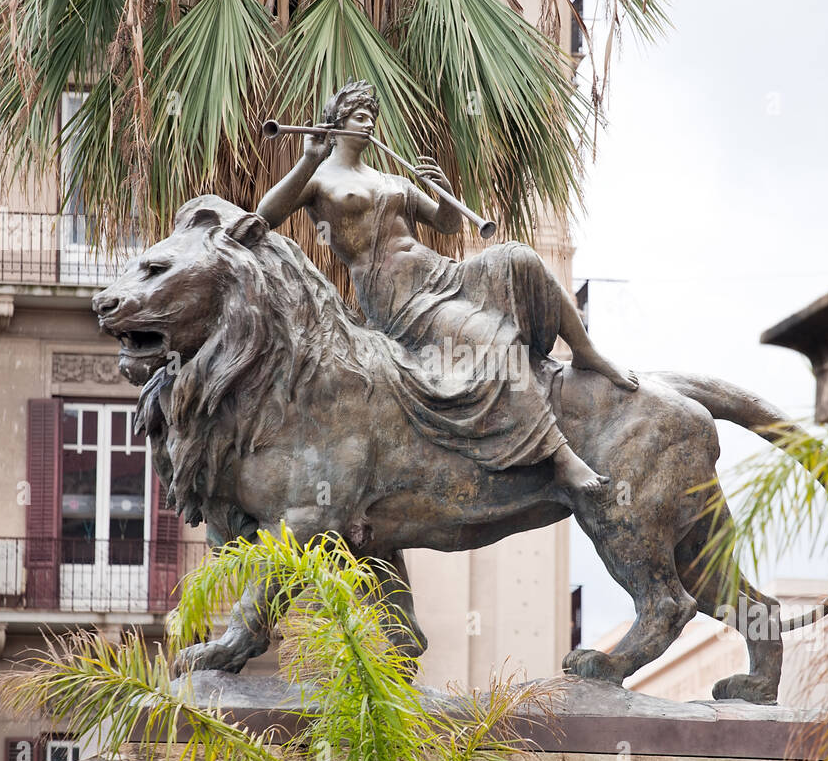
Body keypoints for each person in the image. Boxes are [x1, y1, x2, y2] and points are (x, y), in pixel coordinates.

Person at [255, 79, 637, 497]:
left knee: (520, 257)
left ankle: (586, 352)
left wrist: (448, 195)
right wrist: (307, 161)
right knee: (492, 342)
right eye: (358, 117)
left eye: (371, 118)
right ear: (336, 122)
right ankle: (559, 456)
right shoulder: (319, 180)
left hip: (440, 273)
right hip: (398, 298)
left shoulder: (390, 178)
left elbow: (446, 224)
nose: (367, 125)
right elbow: (265, 215)